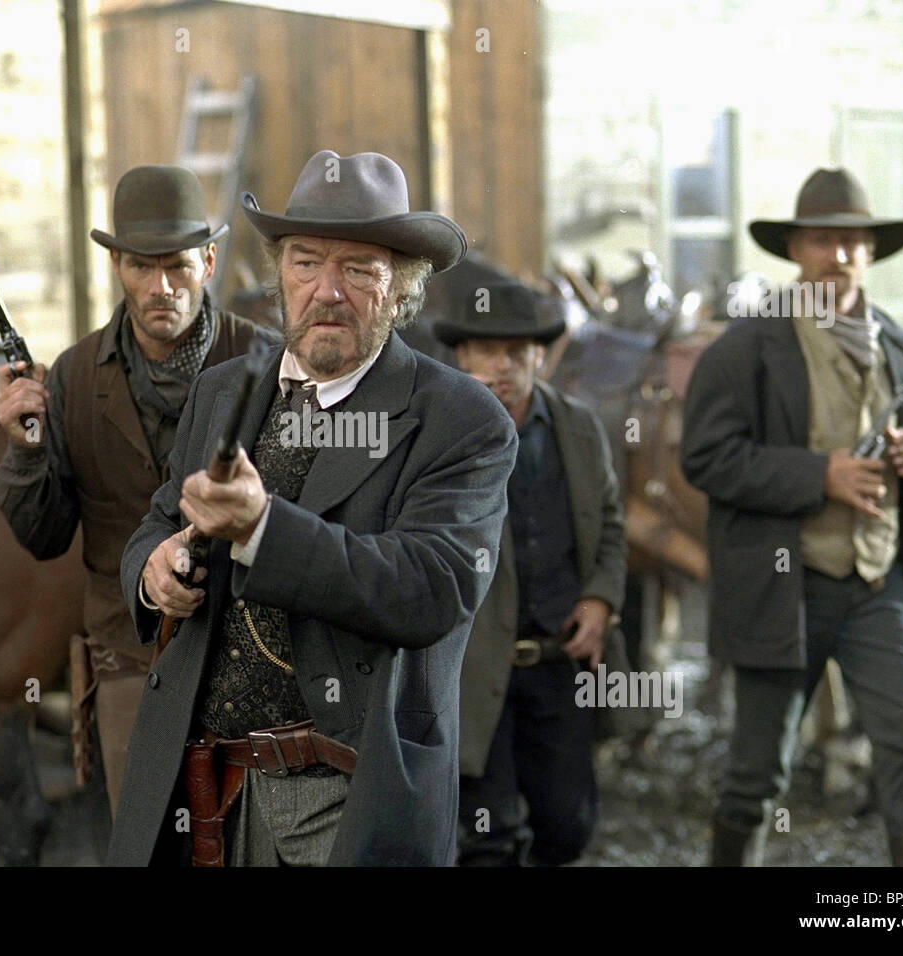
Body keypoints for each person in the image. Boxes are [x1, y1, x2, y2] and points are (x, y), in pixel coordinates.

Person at [110, 150, 518, 866]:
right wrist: (152, 567)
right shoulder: (224, 391)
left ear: (401, 289)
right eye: (305, 263)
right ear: (279, 276)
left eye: (359, 268)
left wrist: (263, 531)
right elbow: (159, 517)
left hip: (345, 792)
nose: (327, 291)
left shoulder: (460, 418)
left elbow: (432, 587)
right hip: (203, 786)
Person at [681, 167, 903, 866]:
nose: (840, 255)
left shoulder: (894, 342)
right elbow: (707, 459)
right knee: (755, 778)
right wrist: (820, 473)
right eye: (824, 240)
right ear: (797, 250)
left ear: (872, 252)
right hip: (786, 586)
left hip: (875, 580)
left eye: (854, 242)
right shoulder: (746, 347)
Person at [0, 165, 275, 817]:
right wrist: (25, 448)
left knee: (246, 841)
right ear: (116, 265)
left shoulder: (263, 362)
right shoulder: (73, 375)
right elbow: (43, 536)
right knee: (143, 838)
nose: (161, 287)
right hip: (128, 652)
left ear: (208, 261)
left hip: (250, 647)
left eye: (177, 265)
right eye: (141, 267)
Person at [436, 281, 627, 866]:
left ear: (539, 356)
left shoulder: (577, 427)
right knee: (486, 838)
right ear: (462, 357)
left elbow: (612, 526)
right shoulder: (438, 435)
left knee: (568, 826)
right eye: (487, 351)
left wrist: (599, 600)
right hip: (475, 668)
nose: (503, 365)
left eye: (517, 351)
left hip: (558, 662)